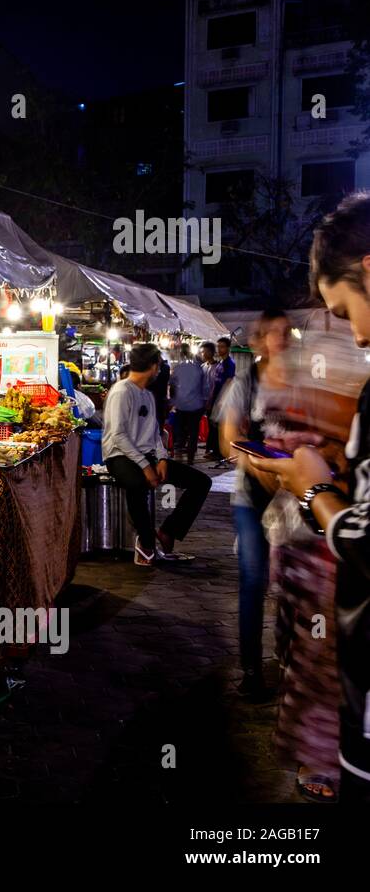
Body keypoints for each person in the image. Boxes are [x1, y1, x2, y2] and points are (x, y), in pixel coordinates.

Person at [248, 191, 370, 802]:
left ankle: (323, 759)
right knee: (307, 652)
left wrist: (315, 485)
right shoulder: (284, 383)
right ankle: (315, 757)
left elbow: (366, 542)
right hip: (301, 545)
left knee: (320, 660)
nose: (352, 331)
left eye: (344, 311)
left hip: (331, 553)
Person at [219, 309, 289, 700]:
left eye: (286, 333)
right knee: (253, 579)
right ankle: (251, 670)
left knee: (292, 583)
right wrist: (253, 461)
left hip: (295, 501)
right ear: (260, 341)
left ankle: (293, 660)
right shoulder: (245, 383)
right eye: (273, 333)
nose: (280, 341)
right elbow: (227, 437)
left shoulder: (301, 384)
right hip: (251, 497)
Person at [102, 342, 211, 566]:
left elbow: (155, 432)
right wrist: (145, 466)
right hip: (119, 456)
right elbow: (118, 436)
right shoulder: (121, 392)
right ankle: (146, 544)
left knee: (201, 482)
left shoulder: (147, 396)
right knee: (138, 483)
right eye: (159, 366)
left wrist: (161, 458)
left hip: (147, 455)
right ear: (153, 367)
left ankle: (168, 531)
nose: (160, 370)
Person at [169, 342, 210, 463]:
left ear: (181, 354)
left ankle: (179, 457)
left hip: (181, 405)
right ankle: (190, 458)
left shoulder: (177, 368)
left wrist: (172, 401)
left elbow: (172, 387)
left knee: (180, 431)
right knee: (193, 432)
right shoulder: (198, 369)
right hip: (195, 406)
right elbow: (205, 388)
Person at [204, 337, 236, 460]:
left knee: (219, 427)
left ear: (228, 348)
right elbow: (214, 383)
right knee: (213, 425)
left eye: (222, 346)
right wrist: (210, 400)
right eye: (218, 346)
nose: (219, 349)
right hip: (214, 399)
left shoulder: (230, 364)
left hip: (223, 400)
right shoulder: (220, 364)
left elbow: (229, 382)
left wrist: (222, 400)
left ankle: (219, 453)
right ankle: (213, 450)